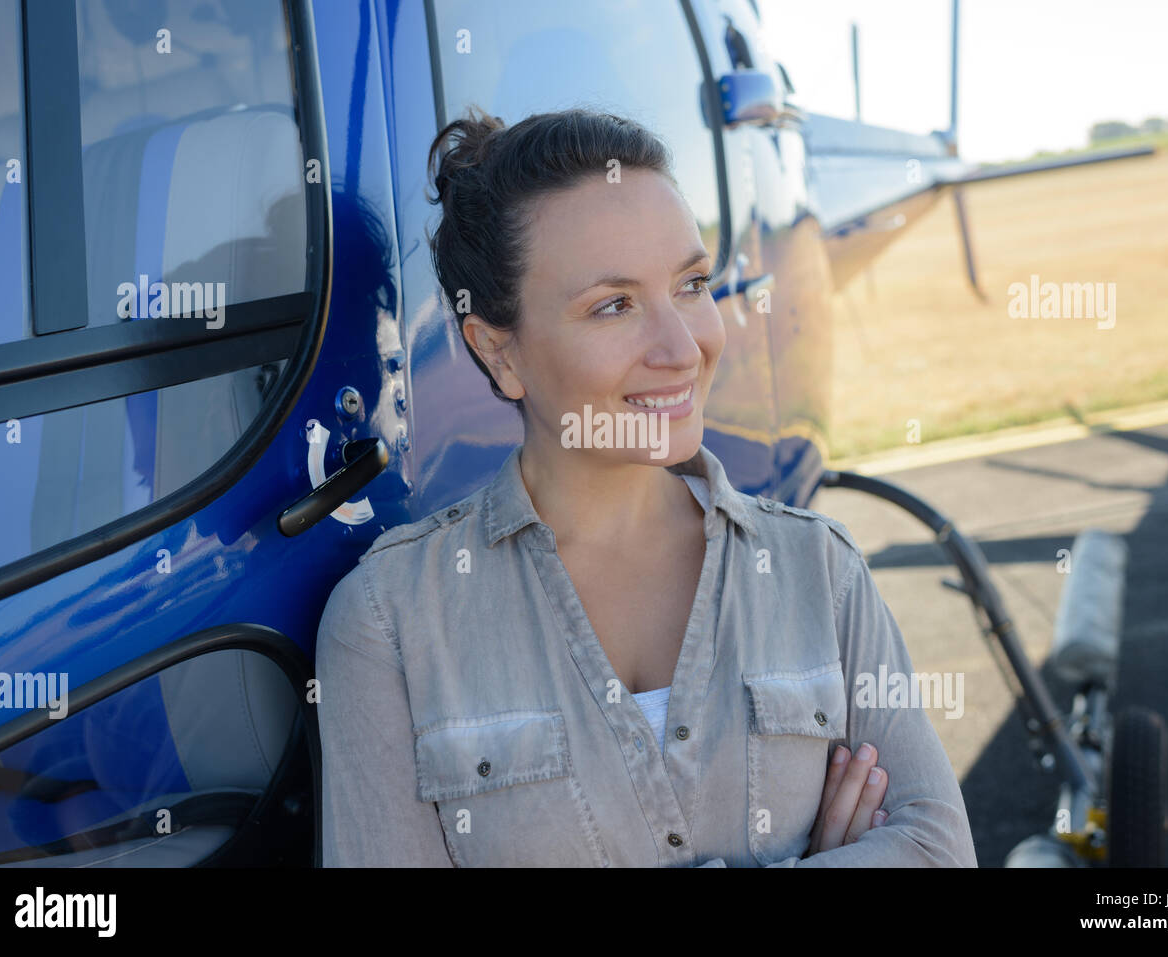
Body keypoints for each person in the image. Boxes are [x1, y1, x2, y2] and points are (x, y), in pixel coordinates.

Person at [315, 106, 978, 867]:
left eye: (692, 284)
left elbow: (936, 849)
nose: (682, 345)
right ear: (499, 352)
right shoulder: (386, 623)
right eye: (614, 305)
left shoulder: (819, 570)